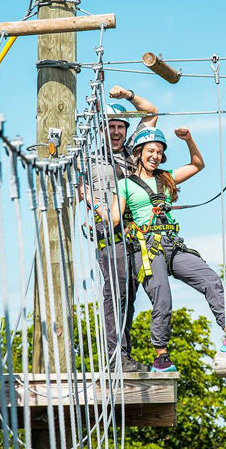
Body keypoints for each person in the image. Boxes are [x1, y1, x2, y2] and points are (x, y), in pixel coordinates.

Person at [101, 126, 226, 373]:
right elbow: (113, 218)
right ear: (140, 152)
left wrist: (189, 140)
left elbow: (197, 164)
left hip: (172, 246)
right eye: (151, 150)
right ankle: (161, 355)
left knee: (211, 279)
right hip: (147, 248)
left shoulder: (166, 178)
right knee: (162, 297)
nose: (155, 155)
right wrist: (94, 205)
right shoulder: (124, 185)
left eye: (160, 152)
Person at [85, 85, 158, 372]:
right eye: (110, 127)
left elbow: (151, 113)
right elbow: (81, 190)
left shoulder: (134, 155)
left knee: (129, 296)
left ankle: (121, 355)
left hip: (136, 236)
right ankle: (114, 357)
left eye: (120, 127)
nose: (115, 132)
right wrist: (96, 205)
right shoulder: (88, 160)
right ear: (101, 130)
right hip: (110, 234)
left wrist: (128, 95)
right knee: (116, 293)